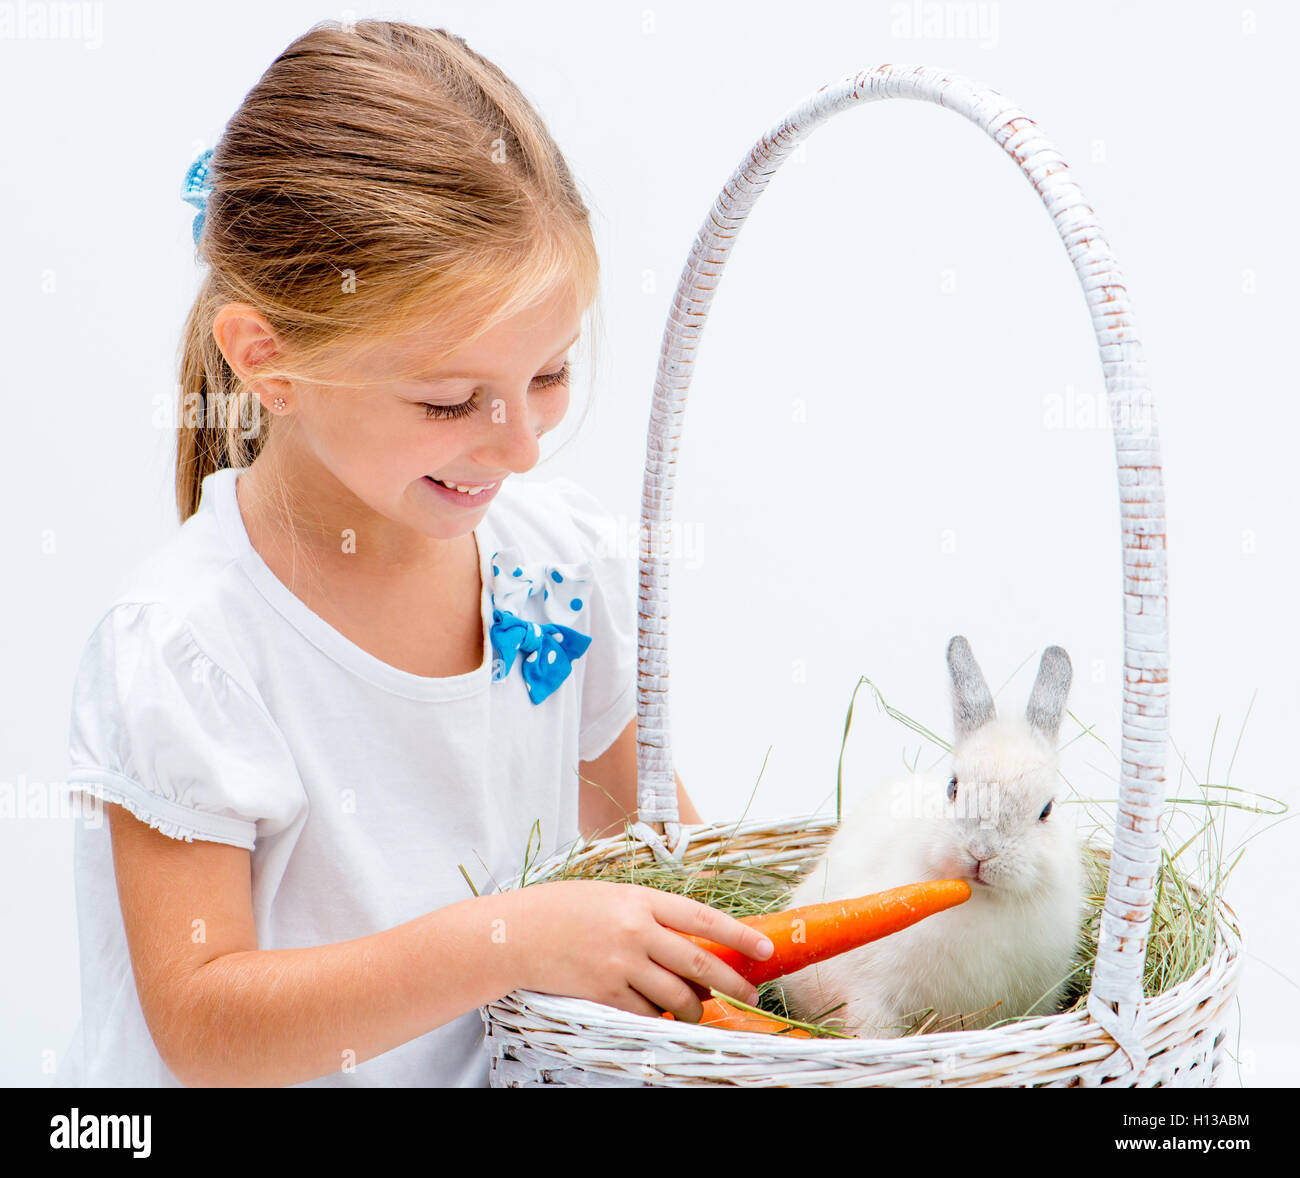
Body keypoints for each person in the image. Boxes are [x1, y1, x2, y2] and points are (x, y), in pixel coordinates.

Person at [58, 19, 772, 1088]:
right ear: (269, 361)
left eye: (548, 374)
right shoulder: (191, 647)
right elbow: (204, 1027)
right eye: (448, 401)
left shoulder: (554, 567)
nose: (522, 444)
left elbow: (671, 866)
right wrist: (508, 938)